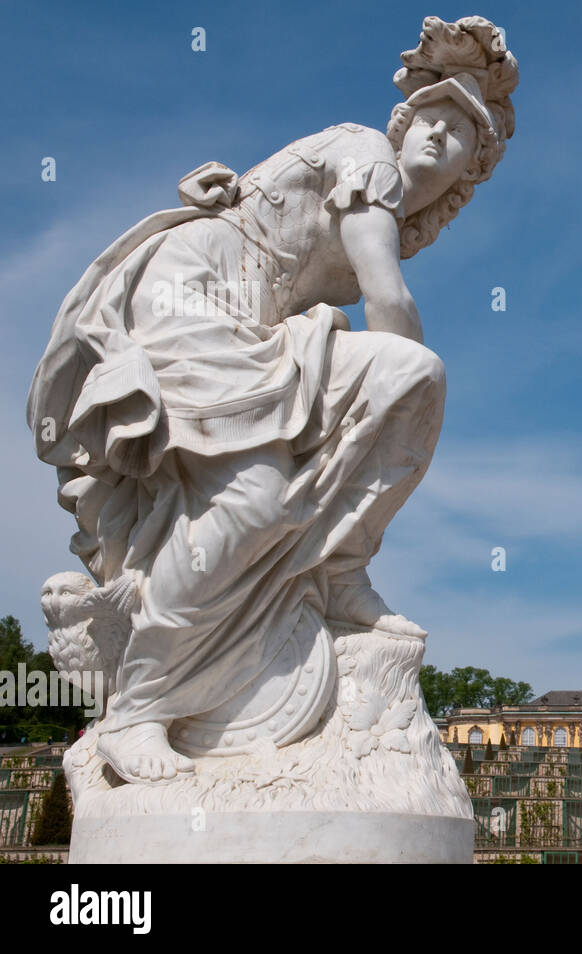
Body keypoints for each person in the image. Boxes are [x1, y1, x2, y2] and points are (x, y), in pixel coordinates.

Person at [27, 17, 517, 783]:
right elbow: (388, 300)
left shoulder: (394, 212)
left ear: (468, 175)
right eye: (431, 116)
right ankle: (140, 709)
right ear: (403, 122)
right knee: (266, 488)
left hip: (252, 325)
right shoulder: (365, 156)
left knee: (406, 381)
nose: (437, 135)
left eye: (459, 135)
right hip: (196, 300)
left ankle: (335, 565)